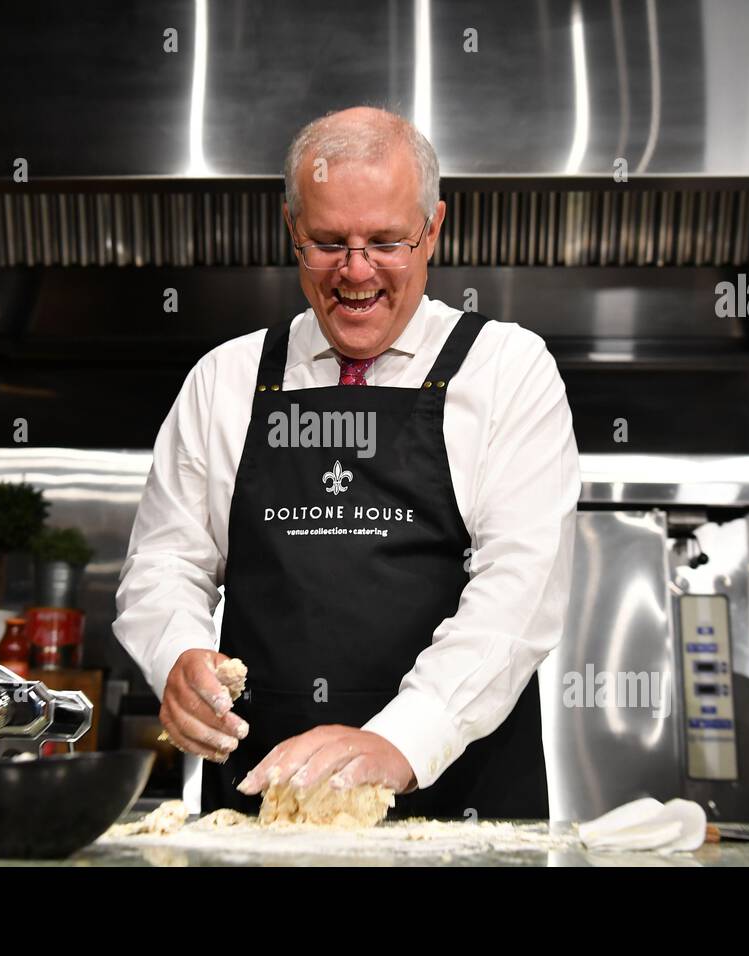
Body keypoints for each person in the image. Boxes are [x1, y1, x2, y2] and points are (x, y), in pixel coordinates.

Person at [114, 106, 580, 818]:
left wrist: (402, 740)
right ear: (291, 231)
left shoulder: (507, 369)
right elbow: (164, 565)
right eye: (328, 243)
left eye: (386, 241)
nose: (355, 272)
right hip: (264, 807)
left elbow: (521, 588)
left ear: (434, 230)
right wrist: (178, 654)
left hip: (461, 805)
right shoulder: (226, 379)